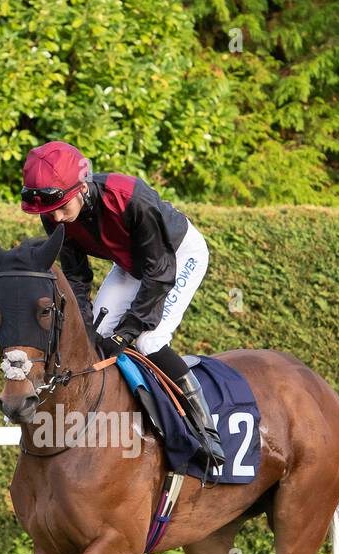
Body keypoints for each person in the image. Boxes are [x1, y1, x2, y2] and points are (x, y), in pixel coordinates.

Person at [19, 141, 225, 467]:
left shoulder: (130, 198)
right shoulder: (53, 212)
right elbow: (76, 278)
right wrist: (85, 325)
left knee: (147, 339)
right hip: (129, 265)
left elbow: (159, 274)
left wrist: (127, 331)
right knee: (92, 342)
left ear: (82, 189)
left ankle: (203, 429)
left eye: (61, 207)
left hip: (177, 255)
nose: (57, 218)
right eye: (49, 212)